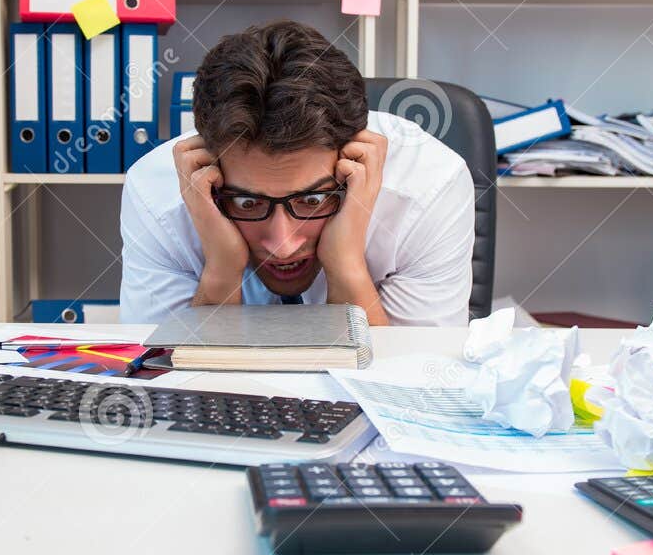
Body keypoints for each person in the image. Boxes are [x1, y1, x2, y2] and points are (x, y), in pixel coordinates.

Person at [119, 20, 475, 326]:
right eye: (245, 202)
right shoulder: (157, 195)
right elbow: (165, 381)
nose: (282, 245)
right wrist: (222, 269)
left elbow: (412, 387)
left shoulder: (428, 187)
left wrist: (346, 264)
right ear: (212, 169)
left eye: (313, 198)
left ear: (351, 161)